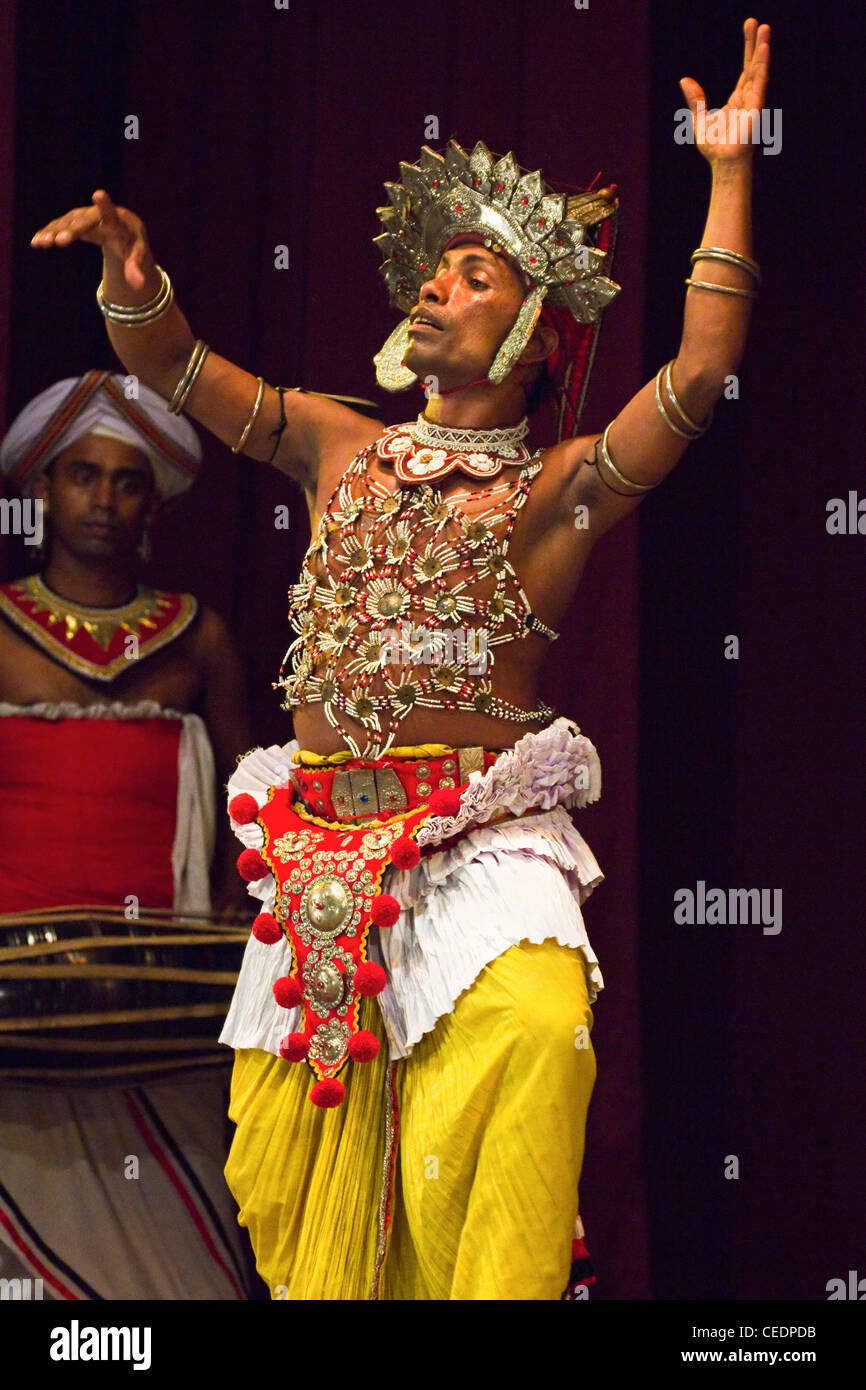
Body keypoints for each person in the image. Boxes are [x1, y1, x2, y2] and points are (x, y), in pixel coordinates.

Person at [30, 18, 770, 1300]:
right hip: (314, 854)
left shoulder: (555, 493)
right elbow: (177, 368)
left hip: (477, 853)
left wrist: (726, 171)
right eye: (434, 271)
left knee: (538, 1032)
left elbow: (701, 373)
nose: (434, 285)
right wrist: (130, 279)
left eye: (473, 275)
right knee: (286, 1171)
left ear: (534, 330)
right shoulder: (333, 442)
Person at [0, 375, 256, 1299]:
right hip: (12, 994)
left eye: (125, 481)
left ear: (153, 501)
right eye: (82, 477)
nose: (103, 500)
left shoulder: (199, 638)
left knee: (179, 1267)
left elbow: (254, 791)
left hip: (165, 997)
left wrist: (239, 899)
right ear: (42, 488)